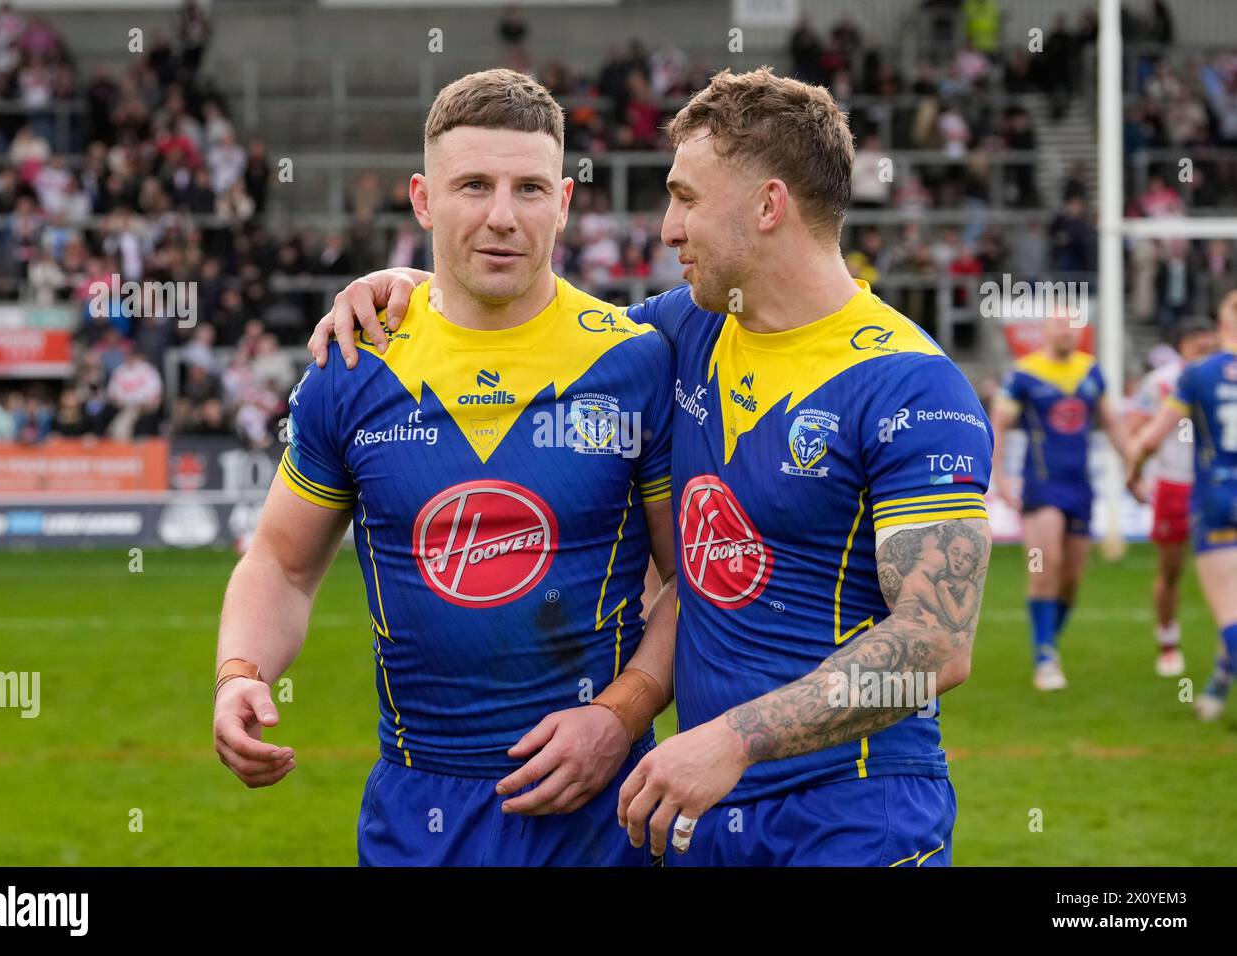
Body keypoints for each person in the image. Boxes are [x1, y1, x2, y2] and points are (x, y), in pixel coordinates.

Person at [311, 68, 993, 866]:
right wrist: (417, 290)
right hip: (698, 812)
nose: (668, 227)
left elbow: (938, 643)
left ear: (769, 207)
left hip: (854, 816)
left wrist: (734, 741)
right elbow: (537, 320)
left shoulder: (913, 385)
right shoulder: (690, 331)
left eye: (687, 197)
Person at [214, 69, 678, 866]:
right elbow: (283, 566)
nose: (502, 217)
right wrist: (238, 673)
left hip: (603, 816)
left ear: (564, 203)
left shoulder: (635, 362)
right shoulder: (354, 363)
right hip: (417, 813)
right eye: (474, 186)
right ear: (424, 200)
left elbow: (692, 584)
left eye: (529, 188)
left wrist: (621, 715)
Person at [990, 312, 1134, 690]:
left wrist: (1134, 467)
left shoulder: (1091, 372)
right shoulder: (1024, 374)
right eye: (1060, 326)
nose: (1067, 332)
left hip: (1081, 488)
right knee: (1045, 566)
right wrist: (1000, 477)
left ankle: (1049, 642)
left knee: (1071, 580)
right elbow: (998, 426)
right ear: (1046, 331)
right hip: (1042, 486)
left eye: (1074, 327)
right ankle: (1044, 657)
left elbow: (1114, 424)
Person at [1130, 292, 1237, 721]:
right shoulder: (1171, 374)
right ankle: (1214, 686)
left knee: (1229, 610)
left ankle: (1214, 686)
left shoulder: (1198, 376)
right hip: (1196, 493)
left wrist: (1132, 471)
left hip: (1217, 497)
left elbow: (1152, 437)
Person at [1125, 319, 1219, 676]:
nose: (1203, 343)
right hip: (1174, 484)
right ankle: (1168, 641)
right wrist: (1133, 473)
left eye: (1207, 337)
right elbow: (1137, 431)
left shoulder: (1226, 375)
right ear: (1181, 344)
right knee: (1171, 569)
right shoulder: (1160, 382)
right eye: (1195, 338)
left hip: (1219, 485)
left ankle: (1225, 648)